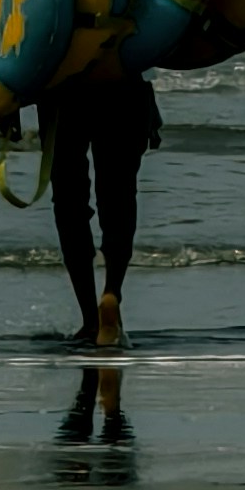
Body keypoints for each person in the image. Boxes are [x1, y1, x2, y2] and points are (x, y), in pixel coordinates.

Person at [49, 64, 162, 348]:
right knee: (119, 194)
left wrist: (5, 107)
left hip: (62, 90)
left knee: (69, 202)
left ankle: (90, 319)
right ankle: (112, 292)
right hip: (125, 85)